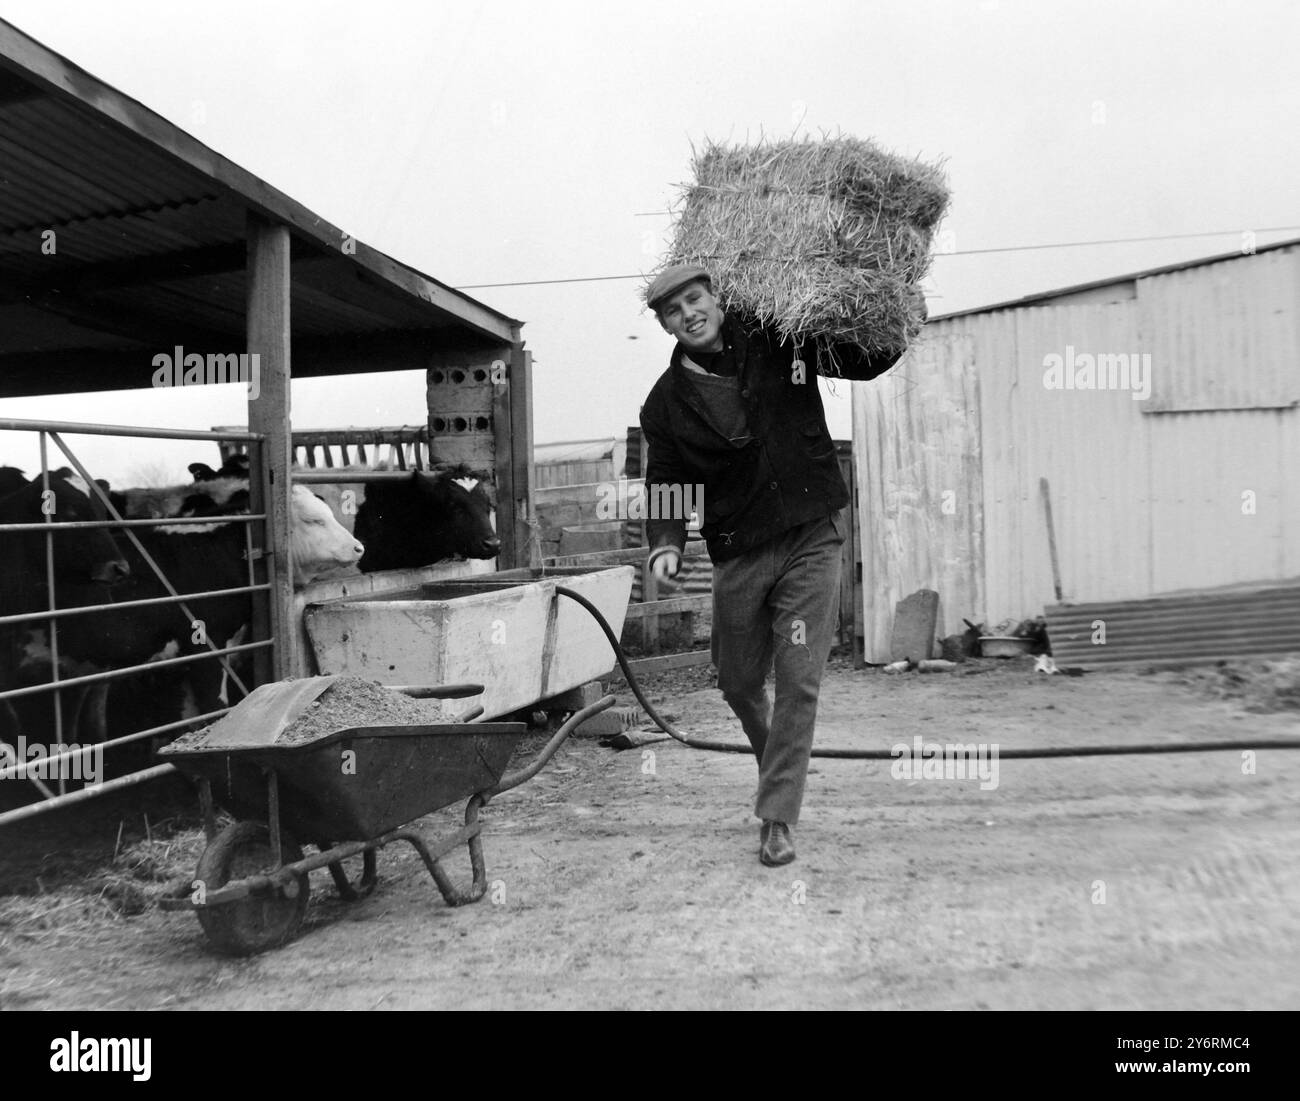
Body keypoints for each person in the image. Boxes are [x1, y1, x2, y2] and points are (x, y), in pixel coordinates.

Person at [639, 264, 905, 866]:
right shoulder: (664, 405)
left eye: (695, 298)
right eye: (674, 310)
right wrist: (666, 544)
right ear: (665, 325)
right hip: (740, 547)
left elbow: (858, 360)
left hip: (812, 530)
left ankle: (777, 816)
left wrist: (893, 315)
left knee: (798, 678)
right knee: (736, 682)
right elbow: (668, 481)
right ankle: (776, 769)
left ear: (716, 297)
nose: (690, 314)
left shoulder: (780, 339)